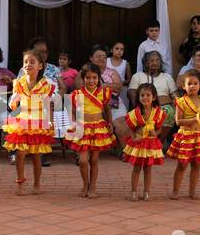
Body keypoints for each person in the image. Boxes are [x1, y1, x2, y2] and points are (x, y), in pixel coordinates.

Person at [4, 48, 54, 195]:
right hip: (23, 120)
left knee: (37, 156)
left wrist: (50, 121)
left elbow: (47, 105)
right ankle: (20, 182)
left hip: (38, 121)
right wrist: (13, 102)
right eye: (26, 61)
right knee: (20, 152)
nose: (28, 64)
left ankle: (37, 185)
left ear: (40, 66)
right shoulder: (19, 82)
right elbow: (14, 100)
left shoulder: (45, 84)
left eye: (32, 62)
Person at [67, 63, 115, 198]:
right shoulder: (77, 94)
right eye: (88, 78)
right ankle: (85, 185)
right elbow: (72, 112)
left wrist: (110, 122)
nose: (91, 81)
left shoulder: (103, 93)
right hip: (82, 127)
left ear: (99, 78)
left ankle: (93, 187)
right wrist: (73, 124)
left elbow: (106, 109)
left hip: (98, 127)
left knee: (94, 160)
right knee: (82, 160)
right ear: (83, 79)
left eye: (94, 78)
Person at [167, 70, 200, 200]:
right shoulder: (181, 102)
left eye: (195, 83)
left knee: (196, 164)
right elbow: (178, 121)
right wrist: (195, 119)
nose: (192, 86)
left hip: (199, 136)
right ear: (184, 86)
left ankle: (192, 191)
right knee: (182, 164)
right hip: (186, 136)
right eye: (189, 84)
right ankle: (175, 190)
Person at [123, 83, 164, 201]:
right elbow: (130, 127)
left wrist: (156, 134)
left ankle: (146, 193)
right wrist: (134, 137)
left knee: (148, 168)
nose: (145, 98)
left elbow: (160, 127)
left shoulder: (158, 112)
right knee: (136, 168)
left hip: (151, 144)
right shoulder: (135, 113)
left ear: (154, 97)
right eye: (142, 95)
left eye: (148, 95)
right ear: (138, 97)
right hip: (139, 143)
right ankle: (134, 192)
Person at [128, 50, 177, 145]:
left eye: (157, 60)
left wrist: (176, 101)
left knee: (170, 111)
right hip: (144, 106)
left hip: (164, 107)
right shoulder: (138, 76)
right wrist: (140, 104)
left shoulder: (167, 77)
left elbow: (174, 94)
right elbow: (131, 93)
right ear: (145, 63)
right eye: (151, 60)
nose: (155, 63)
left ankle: (159, 143)